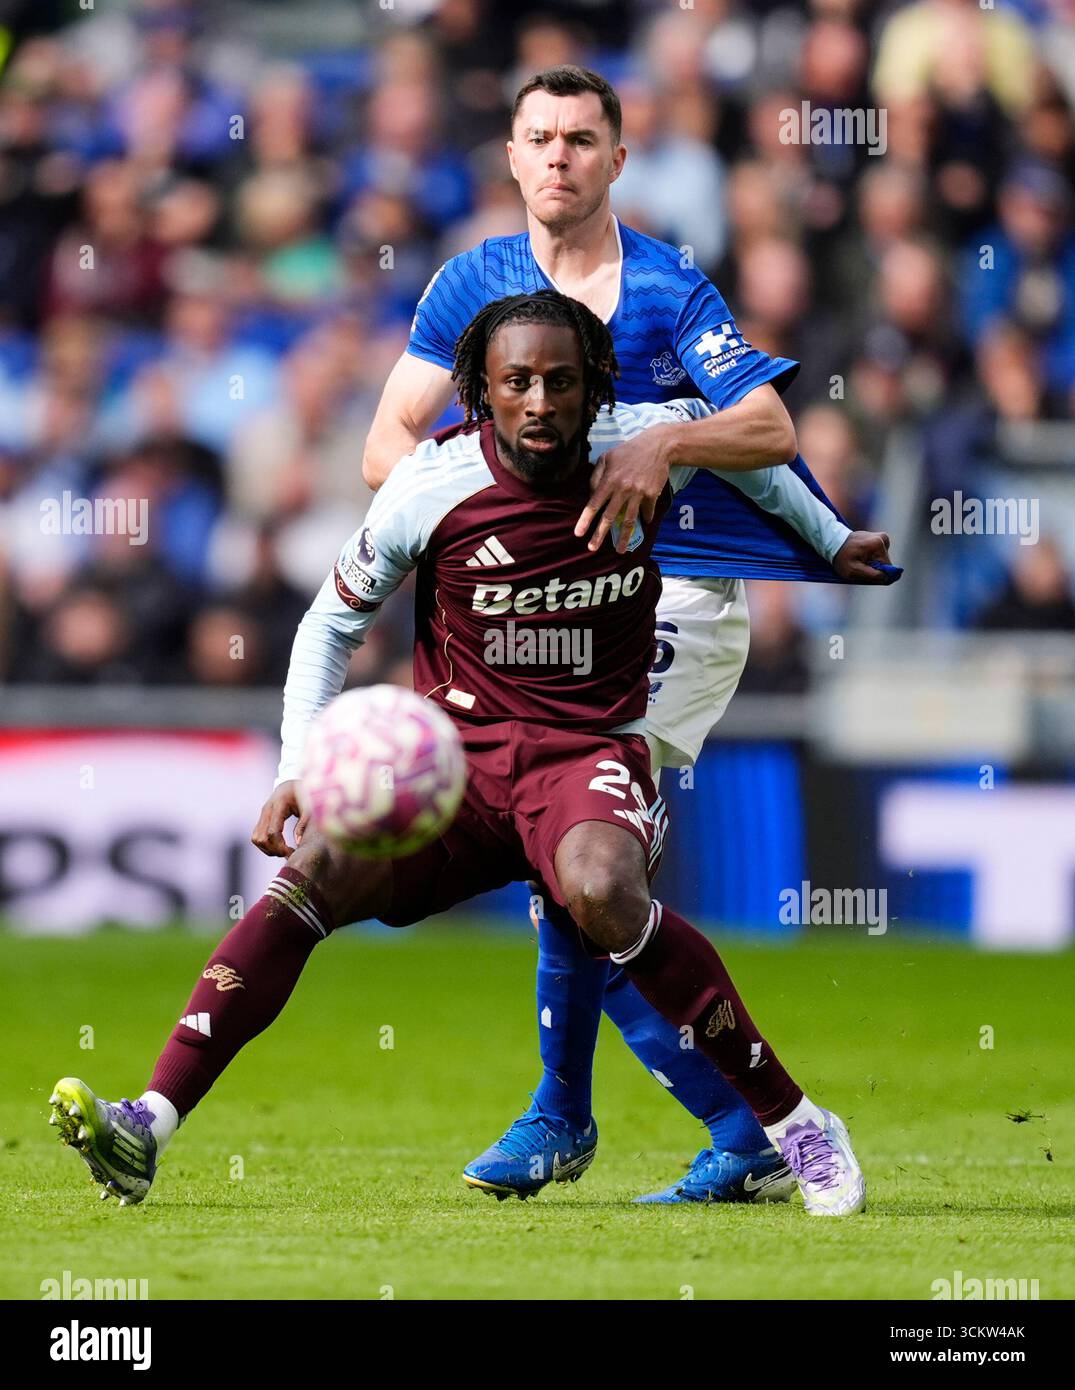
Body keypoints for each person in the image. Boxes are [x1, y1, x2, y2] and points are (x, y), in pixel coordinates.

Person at [48, 290, 867, 1219]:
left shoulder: (644, 444)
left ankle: (797, 1125)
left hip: (583, 754)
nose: (540, 402)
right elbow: (329, 626)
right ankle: (147, 1122)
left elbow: (761, 446)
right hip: (459, 768)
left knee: (600, 890)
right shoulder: (432, 483)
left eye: (562, 382)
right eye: (516, 381)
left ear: (594, 386)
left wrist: (830, 541)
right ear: (480, 391)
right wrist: (292, 767)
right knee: (311, 873)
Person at [361, 65, 895, 1203]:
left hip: (677, 602)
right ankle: (714, 1123)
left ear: (617, 159)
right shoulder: (470, 289)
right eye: (538, 137)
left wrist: (668, 446)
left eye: (581, 139)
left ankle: (593, 1114)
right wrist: (471, 504)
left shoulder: (663, 287)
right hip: (547, 607)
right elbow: (381, 449)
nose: (557, 156)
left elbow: (766, 422)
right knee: (580, 877)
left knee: (579, 864)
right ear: (511, 157)